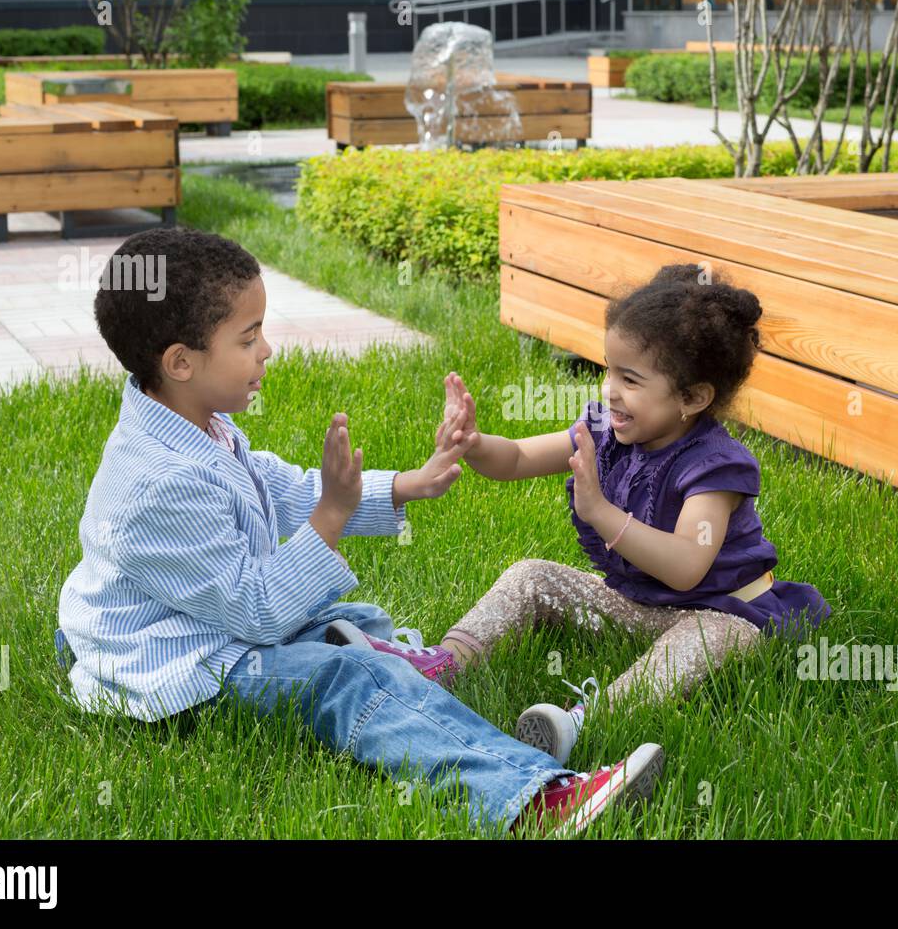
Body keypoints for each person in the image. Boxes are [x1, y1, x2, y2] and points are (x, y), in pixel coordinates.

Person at [54, 225, 664, 836]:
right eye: (248, 337)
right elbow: (259, 613)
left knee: (358, 621)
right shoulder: (159, 480)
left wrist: (406, 484)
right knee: (344, 679)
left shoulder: (188, 419)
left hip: (199, 621)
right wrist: (332, 514)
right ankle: (536, 798)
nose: (266, 349)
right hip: (177, 669)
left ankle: (405, 683)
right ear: (180, 362)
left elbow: (281, 490)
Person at [435, 264, 834, 765]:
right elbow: (516, 457)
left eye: (630, 379)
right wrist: (472, 444)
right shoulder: (605, 427)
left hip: (715, 611)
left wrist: (601, 513)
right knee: (531, 575)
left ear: (693, 397)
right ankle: (444, 663)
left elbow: (687, 566)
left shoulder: (714, 468)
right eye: (607, 369)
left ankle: (585, 719)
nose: (609, 390)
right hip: (634, 603)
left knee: (719, 639)